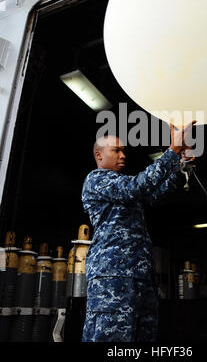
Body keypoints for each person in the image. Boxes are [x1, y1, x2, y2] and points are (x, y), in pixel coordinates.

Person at [81, 121, 196, 342]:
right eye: (116, 150)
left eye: (123, 150)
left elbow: (155, 192)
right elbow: (137, 187)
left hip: (139, 276)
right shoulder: (96, 180)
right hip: (113, 277)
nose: (123, 155)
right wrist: (172, 151)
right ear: (99, 155)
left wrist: (182, 165)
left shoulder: (124, 187)